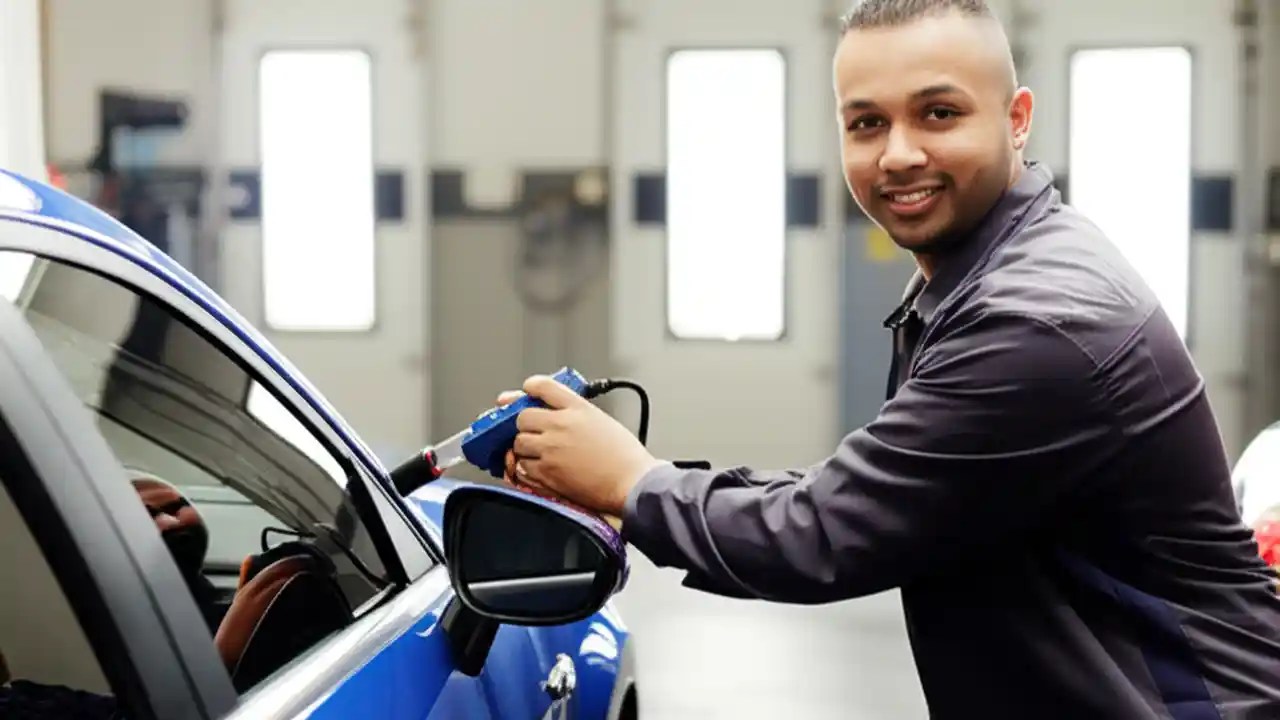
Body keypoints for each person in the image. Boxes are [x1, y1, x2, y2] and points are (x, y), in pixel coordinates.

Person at [498, 0, 1280, 716]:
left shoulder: (1036, 322)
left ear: (1016, 119)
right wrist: (641, 481)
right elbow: (879, 489)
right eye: (866, 123)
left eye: (938, 113)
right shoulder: (989, 276)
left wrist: (635, 486)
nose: (899, 154)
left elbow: (822, 534)